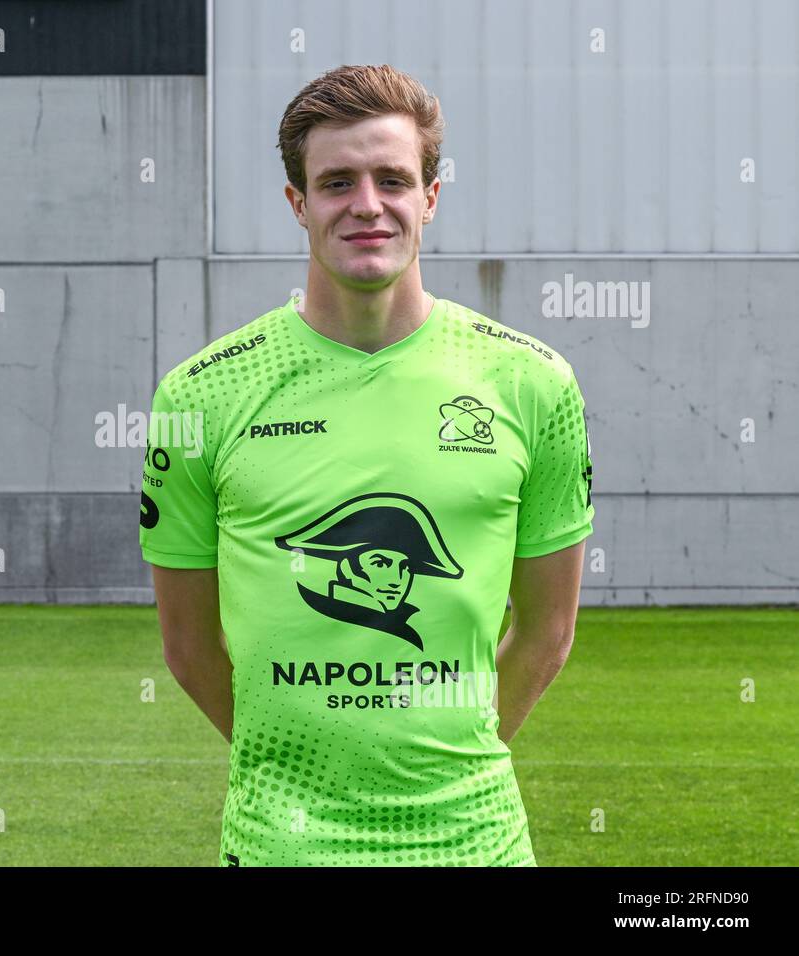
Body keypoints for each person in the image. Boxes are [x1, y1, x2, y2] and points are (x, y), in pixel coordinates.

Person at [139, 64, 595, 866]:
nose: (367, 205)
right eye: (336, 182)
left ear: (430, 197)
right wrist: (286, 776)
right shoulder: (201, 396)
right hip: (280, 846)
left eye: (393, 179)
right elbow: (189, 648)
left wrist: (454, 753)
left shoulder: (532, 384)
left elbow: (547, 633)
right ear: (298, 203)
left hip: (474, 844)